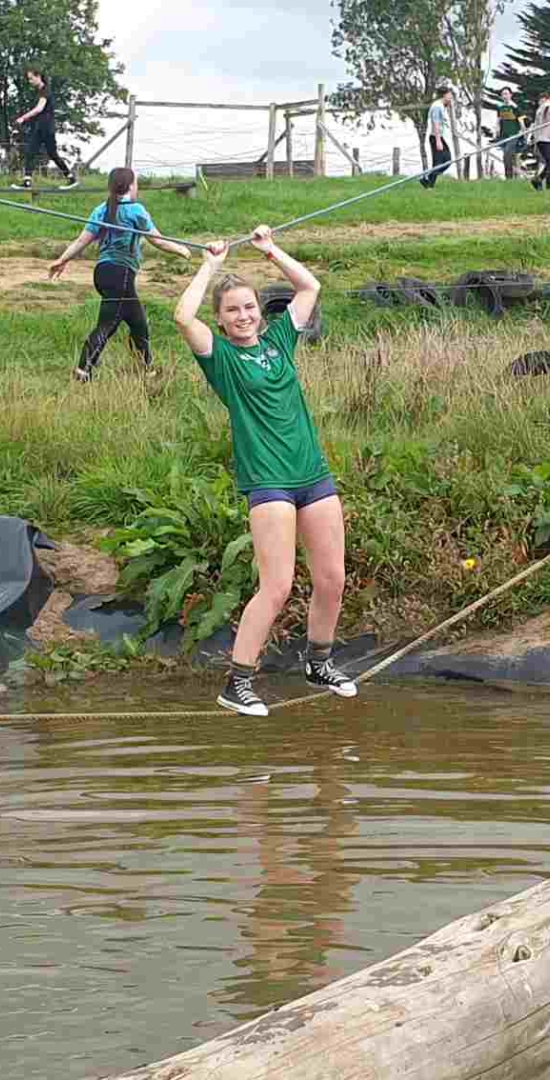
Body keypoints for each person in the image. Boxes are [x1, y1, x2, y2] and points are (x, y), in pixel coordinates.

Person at [172, 227, 355, 717]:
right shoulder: (222, 359)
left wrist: (269, 250)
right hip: (269, 481)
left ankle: (319, 661)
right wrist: (210, 264)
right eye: (232, 310)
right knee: (276, 586)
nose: (244, 316)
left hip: (312, 474)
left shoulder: (279, 341)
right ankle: (238, 681)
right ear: (221, 319)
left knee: (333, 578)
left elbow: (310, 287)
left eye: (249, 307)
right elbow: (181, 316)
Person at [47, 166, 192, 382]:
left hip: (103, 273)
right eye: (136, 184)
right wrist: (182, 249)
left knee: (138, 323)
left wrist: (63, 259)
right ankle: (82, 371)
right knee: (108, 324)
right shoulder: (136, 210)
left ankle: (147, 370)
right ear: (131, 186)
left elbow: (81, 241)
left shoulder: (101, 210)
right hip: (120, 275)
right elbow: (158, 240)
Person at [14, 69, 77, 191]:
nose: (30, 81)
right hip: (39, 127)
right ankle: (27, 182)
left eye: (31, 78)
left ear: (38, 77)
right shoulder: (39, 92)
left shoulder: (45, 91)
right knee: (30, 152)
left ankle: (71, 178)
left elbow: (39, 109)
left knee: (52, 154)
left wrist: (23, 118)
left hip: (47, 128)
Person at [420, 87, 454, 189]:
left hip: (439, 137)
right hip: (436, 137)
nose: (451, 97)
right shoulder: (437, 107)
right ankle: (428, 182)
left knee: (443, 161)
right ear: (445, 95)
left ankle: (428, 182)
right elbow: (436, 123)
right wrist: (438, 141)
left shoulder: (442, 106)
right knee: (443, 161)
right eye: (450, 95)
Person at [496, 88, 523, 179]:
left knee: (507, 154)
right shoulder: (500, 107)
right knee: (507, 156)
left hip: (514, 134)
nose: (505, 96)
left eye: (507, 94)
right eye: (503, 94)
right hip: (504, 135)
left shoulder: (514, 107)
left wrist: (523, 132)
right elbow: (499, 120)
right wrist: (497, 131)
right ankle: (509, 177)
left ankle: (510, 176)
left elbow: (520, 120)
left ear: (511, 95)